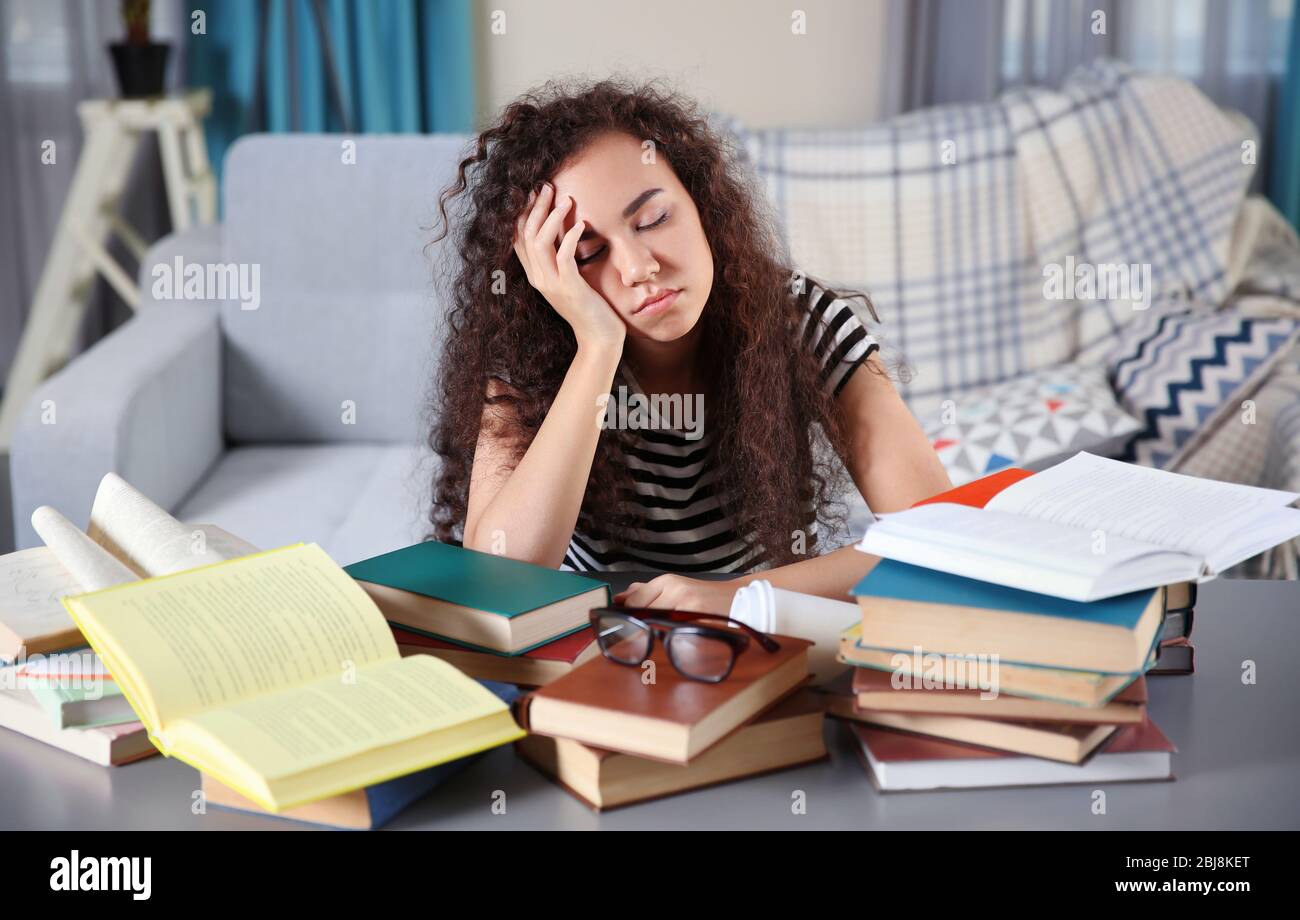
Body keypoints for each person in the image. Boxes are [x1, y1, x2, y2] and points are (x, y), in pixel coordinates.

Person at [426, 76, 950, 615]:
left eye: (654, 220)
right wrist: (597, 347)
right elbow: (501, 578)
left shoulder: (799, 322)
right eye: (587, 254)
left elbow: (943, 543)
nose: (638, 267)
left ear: (701, 203)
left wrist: (729, 598)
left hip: (764, 626)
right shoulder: (530, 352)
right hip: (606, 639)